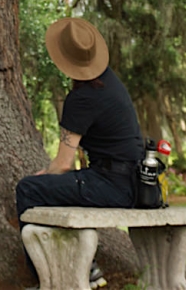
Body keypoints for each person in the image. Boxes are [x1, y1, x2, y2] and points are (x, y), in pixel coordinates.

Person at [15, 17, 144, 283]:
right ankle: (86, 266)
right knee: (55, 189)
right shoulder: (110, 81)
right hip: (134, 183)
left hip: (111, 185)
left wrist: (45, 176)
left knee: (29, 189)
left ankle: (46, 278)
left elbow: (64, 163)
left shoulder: (82, 98)